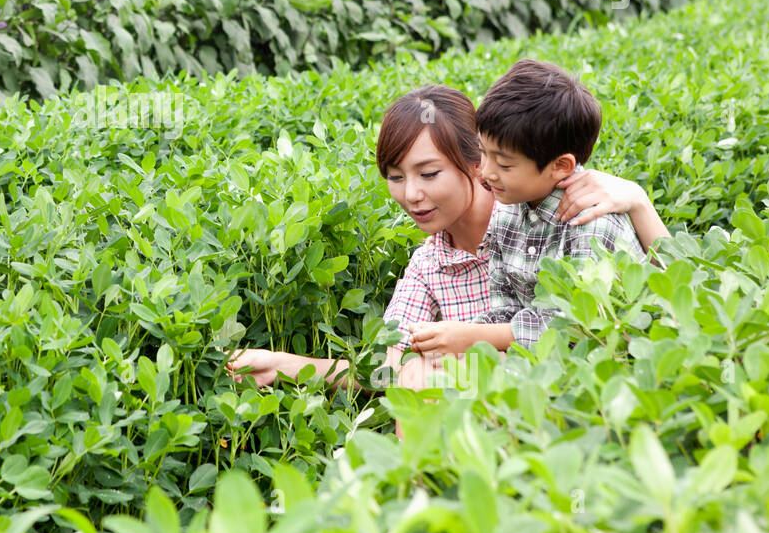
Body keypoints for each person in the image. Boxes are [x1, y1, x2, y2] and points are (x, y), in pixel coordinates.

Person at [226, 82, 667, 390]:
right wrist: (290, 367)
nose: (411, 195)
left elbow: (654, 295)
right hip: (491, 413)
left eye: (429, 173)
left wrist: (640, 201)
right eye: (395, 177)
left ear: (476, 160)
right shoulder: (430, 264)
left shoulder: (555, 209)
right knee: (420, 373)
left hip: (576, 393)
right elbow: (391, 365)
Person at [467, 58, 644, 349]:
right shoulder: (506, 210)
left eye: (504, 164)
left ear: (560, 166)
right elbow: (503, 309)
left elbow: (577, 329)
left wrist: (470, 339)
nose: (486, 172)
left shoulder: (592, 222)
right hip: (533, 355)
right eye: (482, 152)